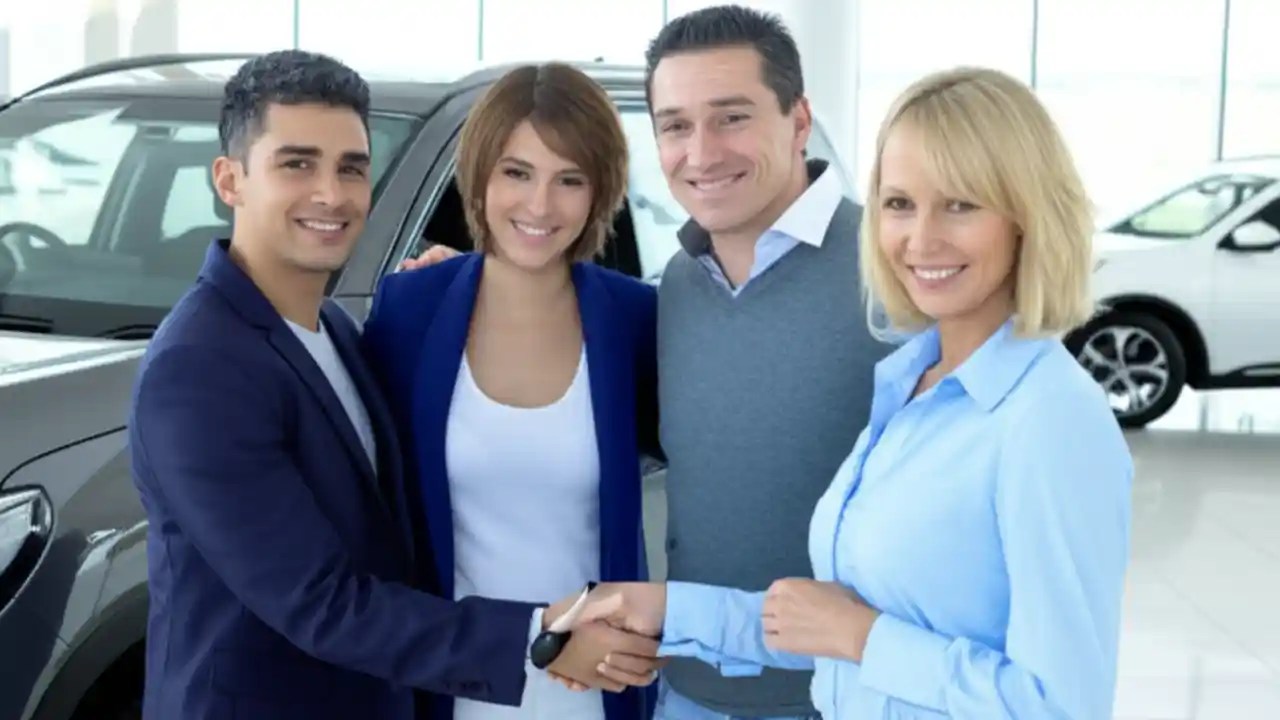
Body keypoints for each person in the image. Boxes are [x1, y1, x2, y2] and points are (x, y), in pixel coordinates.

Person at [581, 65, 1135, 719]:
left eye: (960, 204)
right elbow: (824, 621)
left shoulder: (1049, 420)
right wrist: (667, 609)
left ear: (1026, 217)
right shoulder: (912, 384)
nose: (920, 238)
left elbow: (1059, 705)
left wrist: (863, 637)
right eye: (899, 203)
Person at [127, 50, 657, 720]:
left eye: (351, 167)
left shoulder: (345, 334)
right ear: (230, 180)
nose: (331, 193)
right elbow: (320, 600)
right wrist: (537, 639)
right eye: (297, 164)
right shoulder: (198, 369)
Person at [401, 7, 891, 718]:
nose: (702, 152)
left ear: (799, 119)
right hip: (683, 689)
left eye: (732, 117)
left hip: (844, 697)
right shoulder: (680, 291)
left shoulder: (895, 269)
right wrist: (462, 285)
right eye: (675, 125)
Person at [360, 62, 663, 720]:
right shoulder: (410, 309)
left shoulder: (634, 320)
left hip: (596, 691)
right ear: (480, 176)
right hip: (452, 685)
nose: (539, 206)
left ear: (600, 191)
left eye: (569, 180)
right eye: (517, 172)